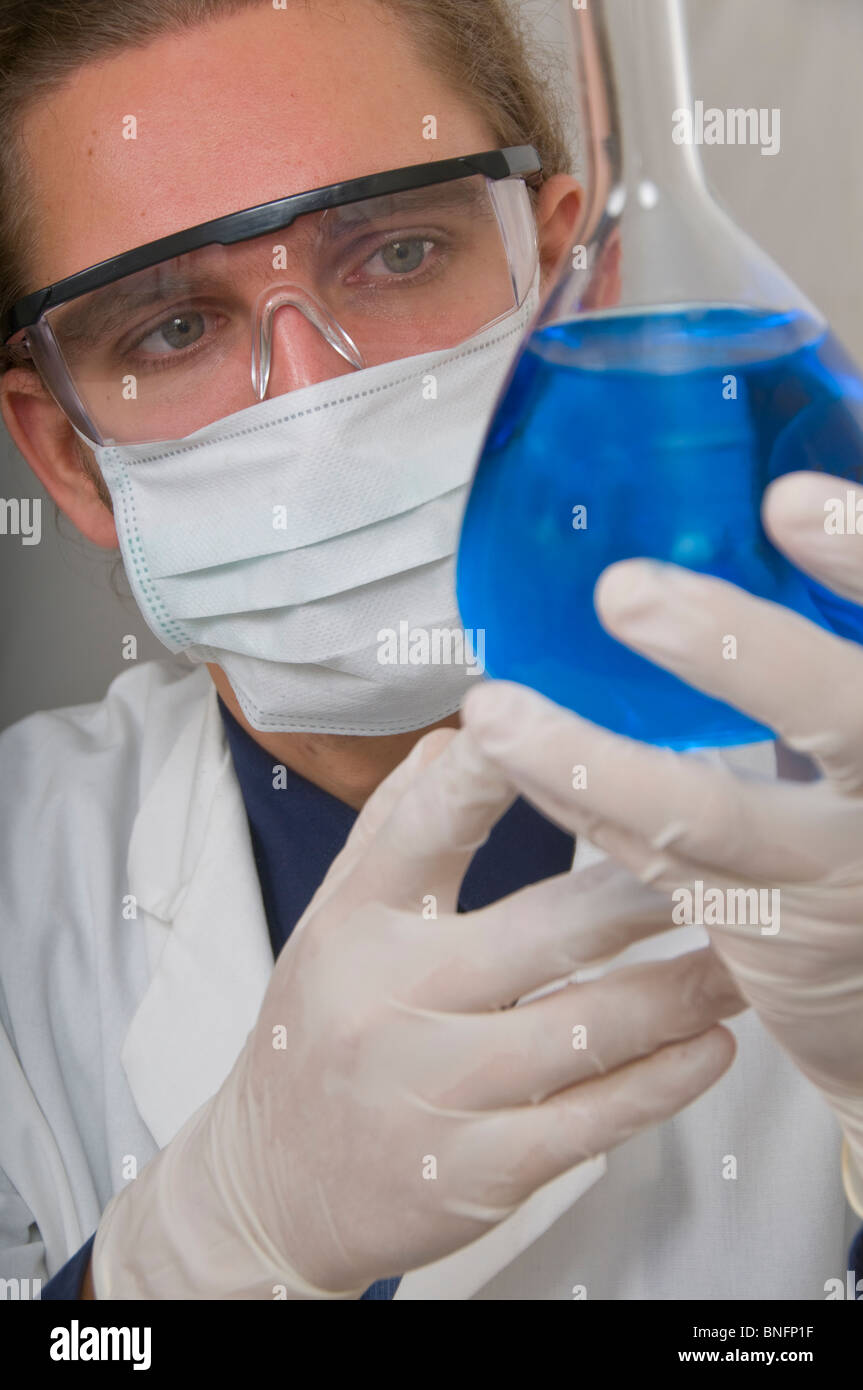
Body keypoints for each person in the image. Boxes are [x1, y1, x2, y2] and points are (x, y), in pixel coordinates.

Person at [0, 0, 859, 1302]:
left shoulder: (836, 777)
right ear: (67, 453)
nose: (309, 398)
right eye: (172, 328)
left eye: (395, 253)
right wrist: (204, 1250)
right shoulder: (25, 888)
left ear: (580, 273)